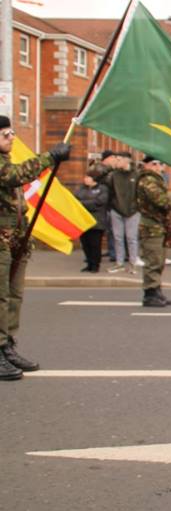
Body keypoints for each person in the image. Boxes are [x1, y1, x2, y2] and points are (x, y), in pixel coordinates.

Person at [0, 120, 70, 381]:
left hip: (14, 237)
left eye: (13, 133)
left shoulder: (6, 159)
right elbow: (14, 176)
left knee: (14, 294)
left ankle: (6, 344)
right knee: (0, 296)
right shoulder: (4, 166)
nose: (12, 138)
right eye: (6, 134)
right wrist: (50, 157)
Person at [136, 156, 171, 307]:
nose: (157, 166)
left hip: (158, 226)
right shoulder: (148, 180)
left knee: (159, 260)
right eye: (153, 164)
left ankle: (156, 290)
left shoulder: (157, 180)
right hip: (151, 227)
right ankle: (150, 294)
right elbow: (160, 200)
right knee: (153, 261)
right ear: (146, 165)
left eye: (159, 163)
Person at [104, 151, 141, 272]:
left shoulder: (137, 174)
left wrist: (137, 207)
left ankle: (133, 263)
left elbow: (140, 193)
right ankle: (119, 263)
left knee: (131, 238)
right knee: (118, 237)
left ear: (127, 160)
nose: (117, 161)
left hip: (133, 211)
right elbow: (109, 191)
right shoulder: (113, 175)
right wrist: (112, 207)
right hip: (116, 210)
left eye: (119, 159)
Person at [74, 169, 109, 273]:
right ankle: (89, 264)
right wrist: (85, 204)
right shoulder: (81, 189)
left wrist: (83, 204)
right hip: (83, 221)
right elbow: (75, 200)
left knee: (95, 245)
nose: (85, 179)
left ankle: (95, 265)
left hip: (96, 222)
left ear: (94, 179)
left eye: (88, 177)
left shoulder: (102, 189)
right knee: (85, 244)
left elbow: (99, 202)